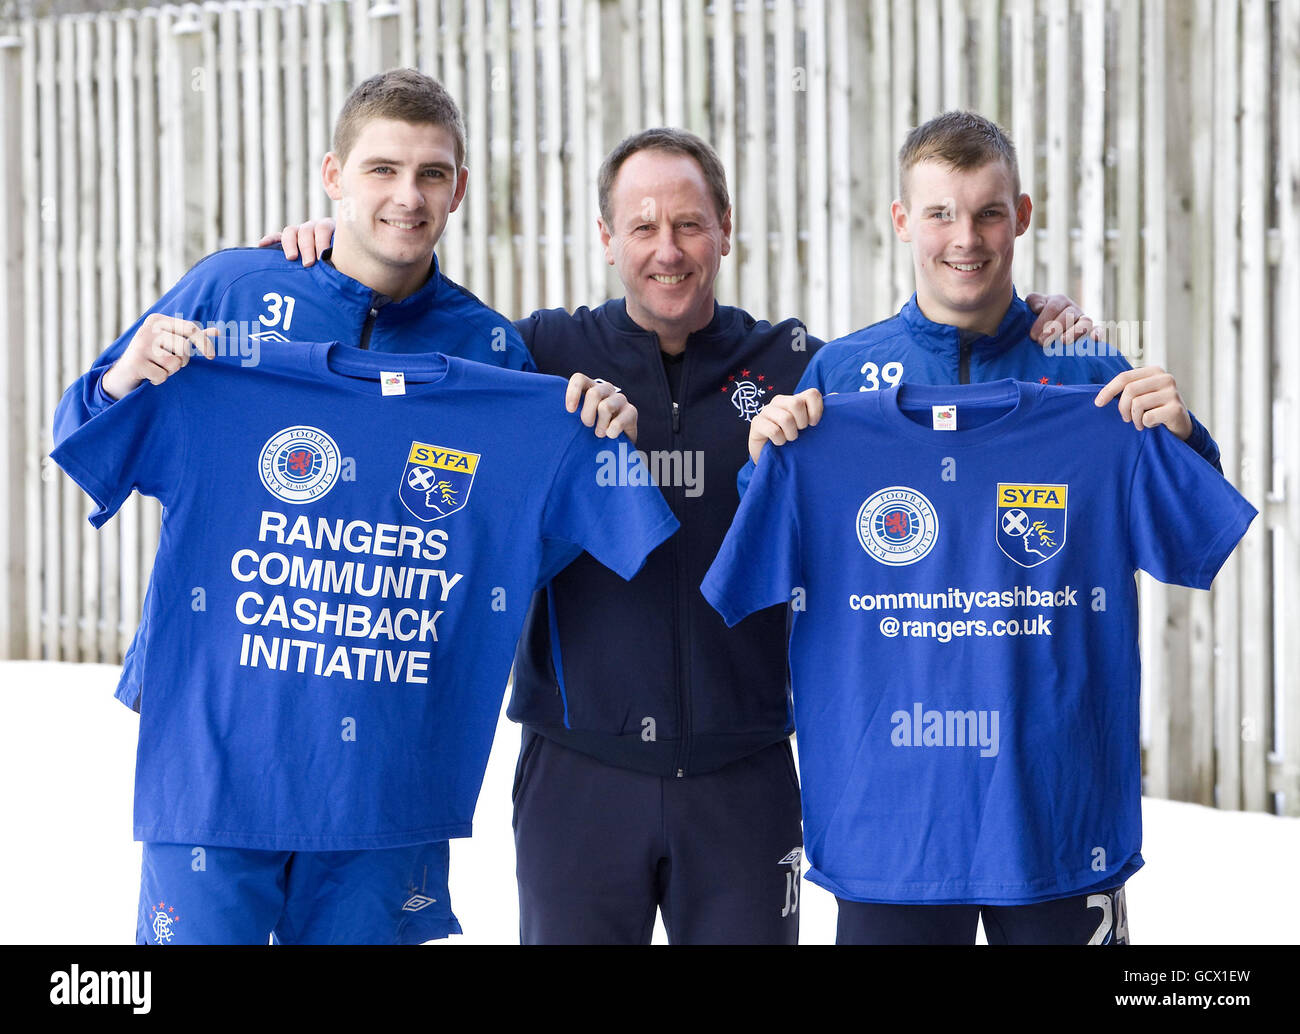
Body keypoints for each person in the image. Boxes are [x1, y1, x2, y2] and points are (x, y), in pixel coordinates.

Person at [275, 127, 1095, 945]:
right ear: (606, 239)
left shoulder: (798, 367)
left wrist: (1039, 324)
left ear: (727, 229)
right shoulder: (535, 357)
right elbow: (413, 345)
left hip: (746, 778)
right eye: (641, 226)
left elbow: (929, 382)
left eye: (690, 224)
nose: (667, 250)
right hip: (578, 776)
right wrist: (329, 254)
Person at [52, 68, 638, 945]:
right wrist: (128, 374)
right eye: (381, 170)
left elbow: (516, 546)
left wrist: (603, 442)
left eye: (432, 174)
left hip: (386, 770)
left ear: (459, 189)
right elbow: (84, 436)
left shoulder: (488, 352)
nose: (408, 196)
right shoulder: (232, 293)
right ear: (332, 176)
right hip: (220, 751)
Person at [745, 110, 1222, 944]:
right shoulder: (837, 384)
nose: (965, 238)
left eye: (988, 212)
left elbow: (1194, 540)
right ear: (902, 222)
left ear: (1022, 217)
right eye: (939, 213)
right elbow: (761, 561)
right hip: (890, 828)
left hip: (1057, 822)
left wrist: (1185, 439)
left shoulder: (1091, 379)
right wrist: (765, 458)